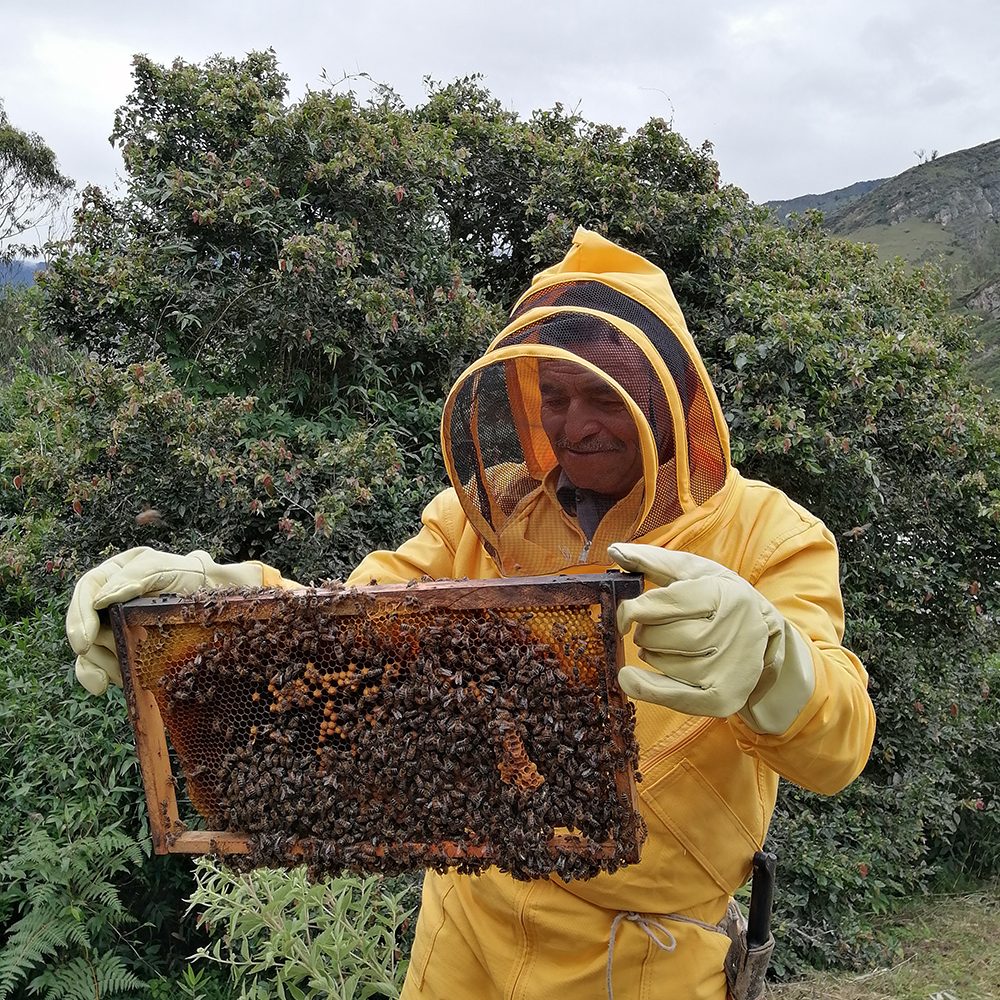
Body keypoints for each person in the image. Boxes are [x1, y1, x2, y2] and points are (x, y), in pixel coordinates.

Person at [67, 228, 876, 1000]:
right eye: (554, 396)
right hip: (464, 930)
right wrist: (209, 609)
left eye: (605, 395)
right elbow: (343, 631)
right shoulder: (481, 516)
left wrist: (774, 662)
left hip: (641, 958)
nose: (576, 423)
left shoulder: (769, 534)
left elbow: (838, 745)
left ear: (671, 399)